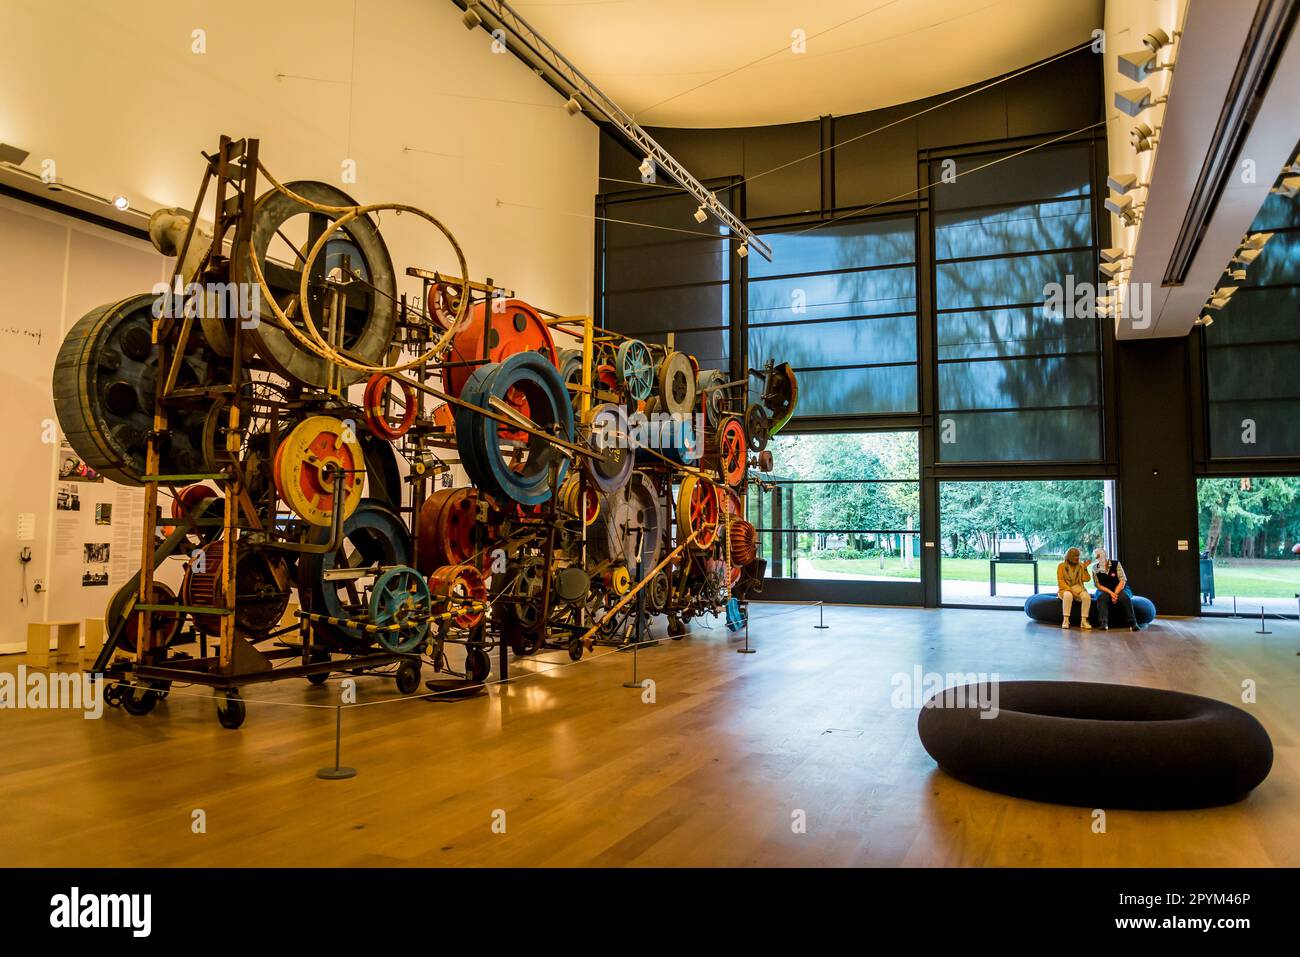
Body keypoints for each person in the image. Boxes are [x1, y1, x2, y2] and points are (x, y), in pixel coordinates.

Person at [1092, 547, 1141, 631]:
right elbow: (1098, 585)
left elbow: (1122, 580)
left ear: (1105, 555)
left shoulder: (1116, 564)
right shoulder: (1095, 568)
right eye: (1097, 556)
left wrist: (1115, 593)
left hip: (1120, 587)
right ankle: (1103, 623)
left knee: (1124, 597)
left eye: (1101, 555)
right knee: (1102, 597)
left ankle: (1133, 623)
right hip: (1104, 589)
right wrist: (1111, 594)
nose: (1100, 558)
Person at [1056, 547, 1092, 629]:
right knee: (1068, 595)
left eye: (1078, 556)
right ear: (1070, 556)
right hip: (1065, 590)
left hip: (1079, 589)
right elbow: (1061, 582)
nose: (1078, 558)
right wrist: (1072, 592)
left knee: (1086, 597)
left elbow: (1086, 579)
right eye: (1075, 556)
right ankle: (1065, 620)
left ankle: (1084, 621)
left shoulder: (1080, 566)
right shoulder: (1061, 566)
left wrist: (1085, 568)